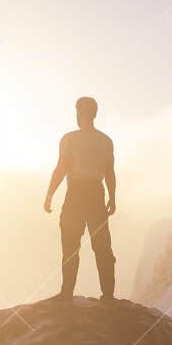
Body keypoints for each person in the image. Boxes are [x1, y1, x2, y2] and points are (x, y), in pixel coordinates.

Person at [44, 96, 116, 301]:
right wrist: (112, 196)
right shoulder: (105, 141)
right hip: (96, 194)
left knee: (70, 244)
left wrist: (49, 194)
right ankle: (108, 295)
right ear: (94, 114)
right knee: (102, 245)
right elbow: (109, 171)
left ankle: (67, 293)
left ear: (78, 113)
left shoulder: (69, 139)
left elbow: (62, 167)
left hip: (75, 194)